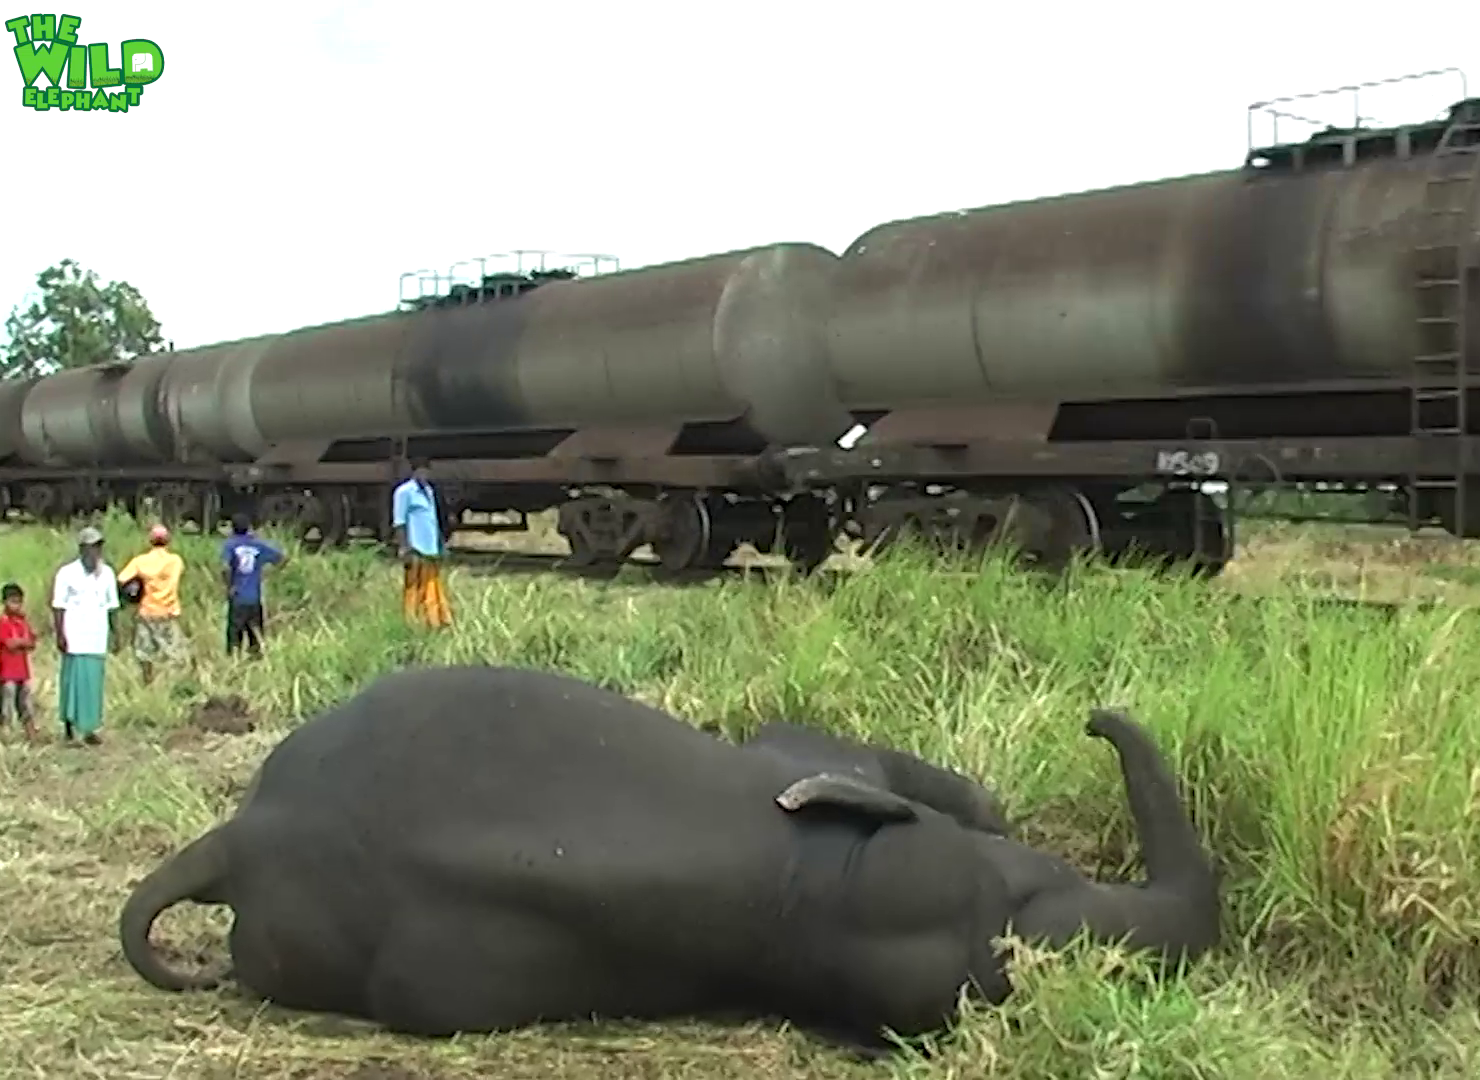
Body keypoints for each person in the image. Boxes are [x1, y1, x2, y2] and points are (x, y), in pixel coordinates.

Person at [52, 525, 119, 746]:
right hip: (74, 637)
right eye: (90, 548)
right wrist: (60, 634)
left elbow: (112, 607)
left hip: (97, 637)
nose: (95, 553)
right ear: (82, 549)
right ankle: (71, 728)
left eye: (98, 547)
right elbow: (58, 606)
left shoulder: (107, 573)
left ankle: (90, 728)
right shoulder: (67, 573)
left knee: (93, 684)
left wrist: (115, 633)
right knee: (73, 684)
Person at [117, 523, 188, 685]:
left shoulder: (140, 561)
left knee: (145, 653)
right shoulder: (175, 561)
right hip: (169, 611)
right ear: (168, 540)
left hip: (147, 611)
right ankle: (170, 684)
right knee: (174, 653)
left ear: (150, 540)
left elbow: (121, 579)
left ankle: (147, 682)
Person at [391, 458, 452, 628]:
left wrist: (441, 546)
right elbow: (399, 522)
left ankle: (434, 622)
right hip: (415, 549)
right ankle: (411, 623)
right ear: (414, 471)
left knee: (432, 588)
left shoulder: (429, 491)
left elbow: (433, 521)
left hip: (430, 549)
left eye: (427, 470)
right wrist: (404, 548)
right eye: (421, 470)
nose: (424, 474)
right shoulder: (404, 492)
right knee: (414, 589)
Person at [221, 513, 287, 657]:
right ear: (249, 528)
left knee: (234, 636)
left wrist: (229, 586)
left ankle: (233, 662)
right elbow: (281, 558)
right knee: (255, 635)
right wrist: (267, 574)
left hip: (238, 597)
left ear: (232, 528)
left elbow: (225, 568)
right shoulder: (258, 545)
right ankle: (255, 661)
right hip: (255, 597)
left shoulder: (230, 545)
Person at [0, 582, 38, 742]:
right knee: (6, 703)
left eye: (18, 602)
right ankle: (5, 735)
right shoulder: (3, 622)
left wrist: (20, 642)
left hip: (22, 672)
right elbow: (9, 644)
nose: (16, 605)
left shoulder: (22, 622)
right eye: (12, 602)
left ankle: (31, 735)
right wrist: (22, 641)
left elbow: (32, 643)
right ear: (5, 602)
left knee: (25, 703)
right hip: (6, 672)